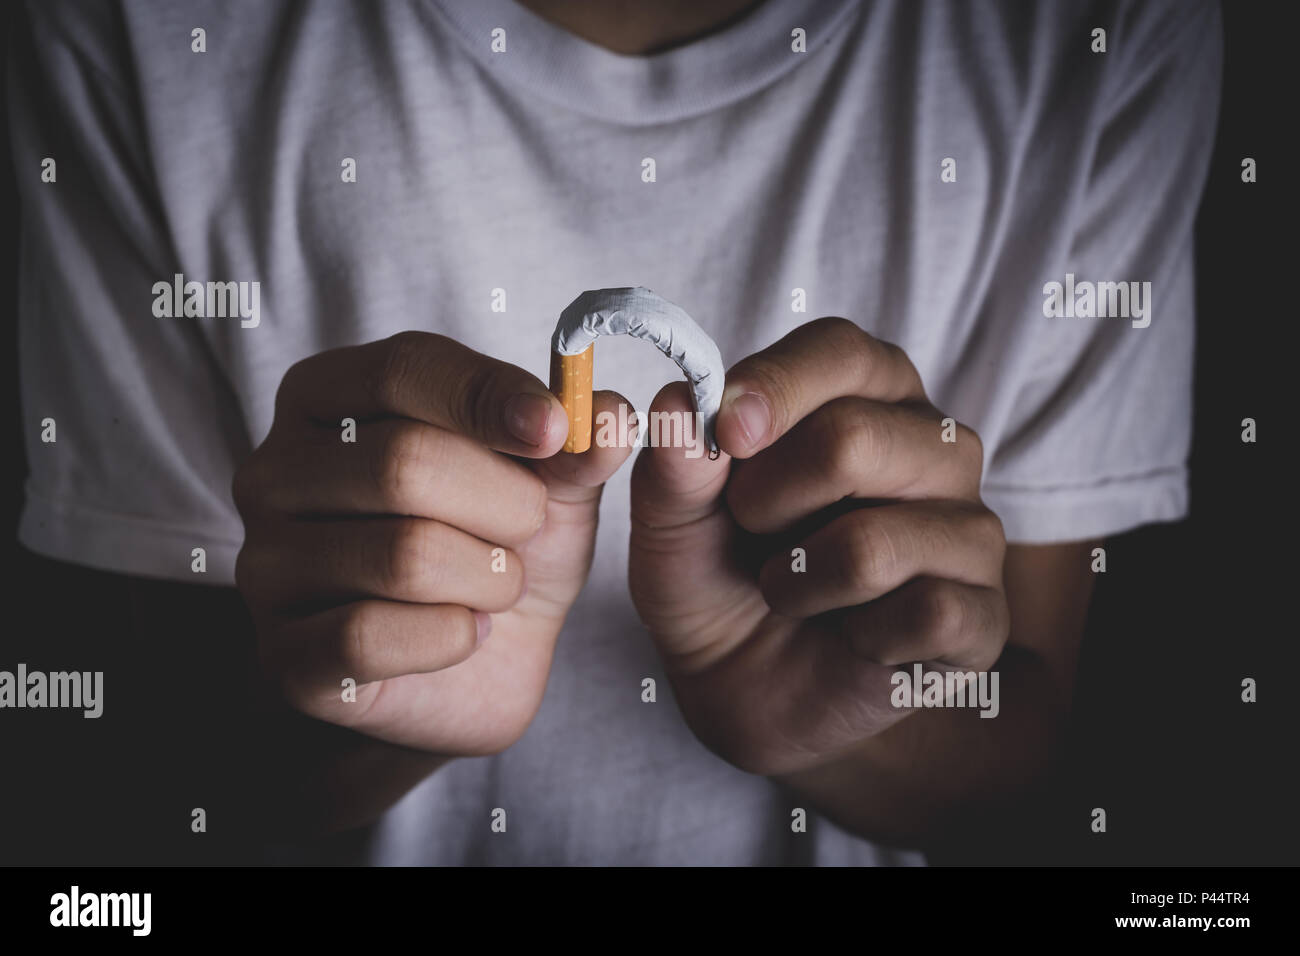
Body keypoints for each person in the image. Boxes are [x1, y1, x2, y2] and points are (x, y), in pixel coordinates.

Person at [8, 0, 1221, 865]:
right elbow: (166, 785)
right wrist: (371, 703)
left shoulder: (1091, 32)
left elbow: (1033, 773)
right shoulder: (138, 29)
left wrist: (801, 703)